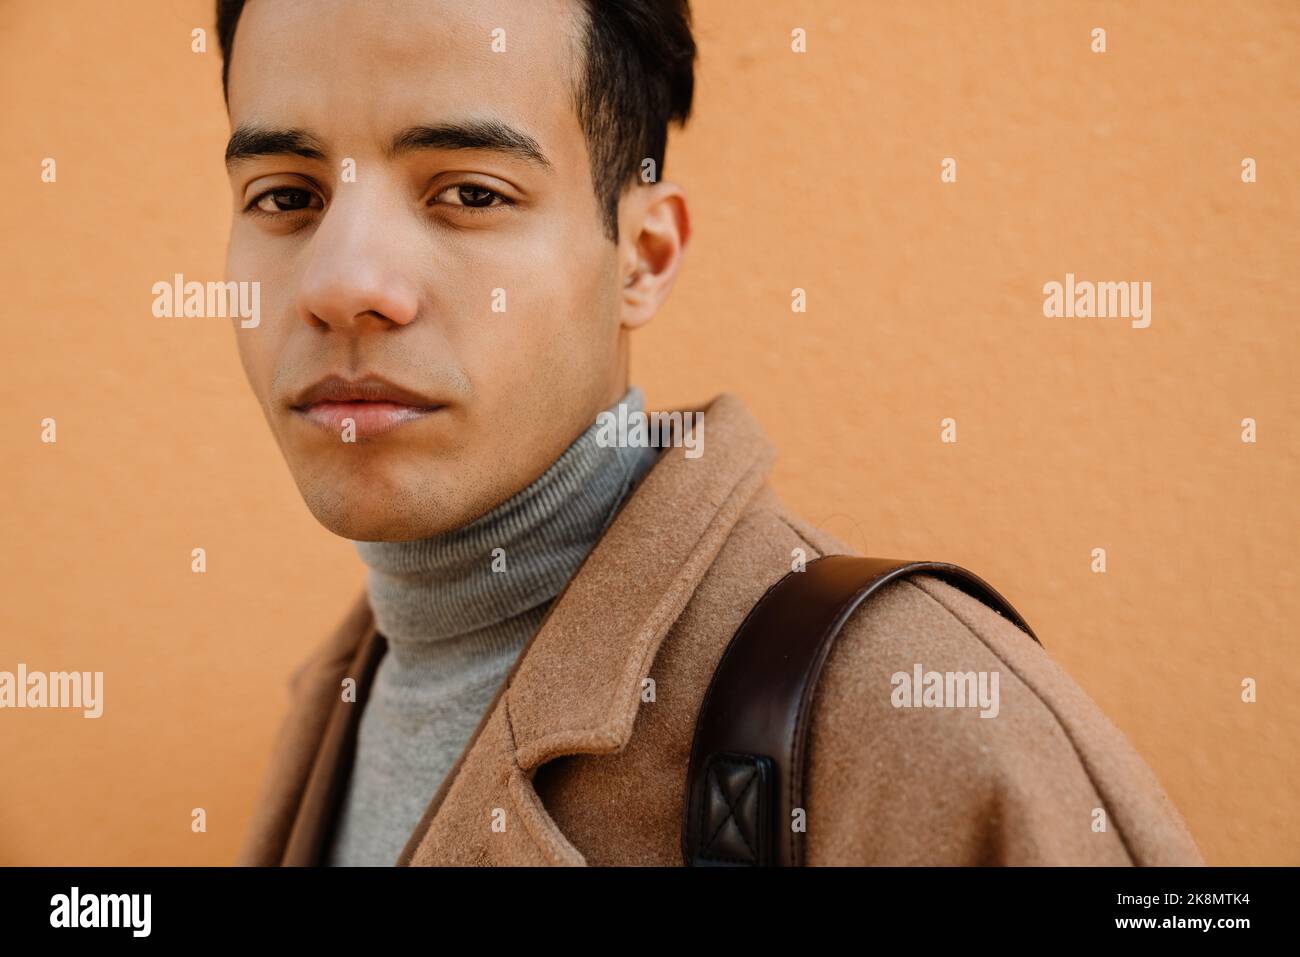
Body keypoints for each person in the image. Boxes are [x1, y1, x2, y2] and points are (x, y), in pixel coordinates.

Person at [218, 0, 1204, 866]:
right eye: (286, 198)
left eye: (471, 193)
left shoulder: (918, 726)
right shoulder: (344, 689)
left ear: (644, 256)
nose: (342, 284)